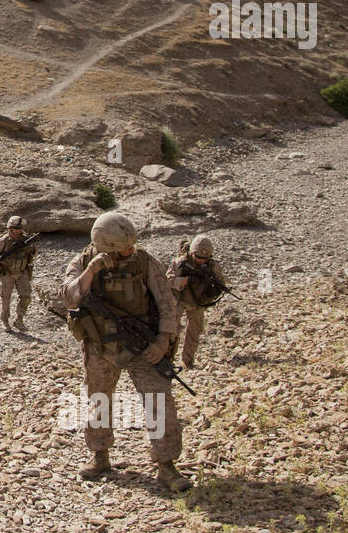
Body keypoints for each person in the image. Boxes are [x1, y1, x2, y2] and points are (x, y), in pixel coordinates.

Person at [60, 211, 190, 492]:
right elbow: (69, 297)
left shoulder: (144, 261)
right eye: (124, 248)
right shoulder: (83, 261)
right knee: (99, 401)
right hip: (101, 346)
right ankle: (100, 455)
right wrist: (92, 270)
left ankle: (165, 465)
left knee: (159, 401)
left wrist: (163, 341)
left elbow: (167, 303)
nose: (131, 250)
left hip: (143, 347)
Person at [167, 233, 229, 370]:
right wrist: (186, 280)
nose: (201, 260)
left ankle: (187, 362)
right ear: (192, 253)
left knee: (194, 332)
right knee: (172, 332)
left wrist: (214, 290)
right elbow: (167, 281)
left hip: (198, 303)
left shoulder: (212, 266)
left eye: (204, 258)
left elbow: (221, 282)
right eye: (198, 257)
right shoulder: (180, 263)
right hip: (180, 300)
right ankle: (168, 361)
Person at [0, 216, 36, 332]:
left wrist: (29, 249)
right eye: (16, 228)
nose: (18, 230)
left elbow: (34, 253)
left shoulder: (26, 240)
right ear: (10, 228)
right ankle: (5, 321)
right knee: (6, 298)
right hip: (7, 273)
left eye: (20, 228)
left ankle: (19, 320)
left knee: (26, 297)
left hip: (22, 272)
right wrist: (1, 260)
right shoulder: (2, 241)